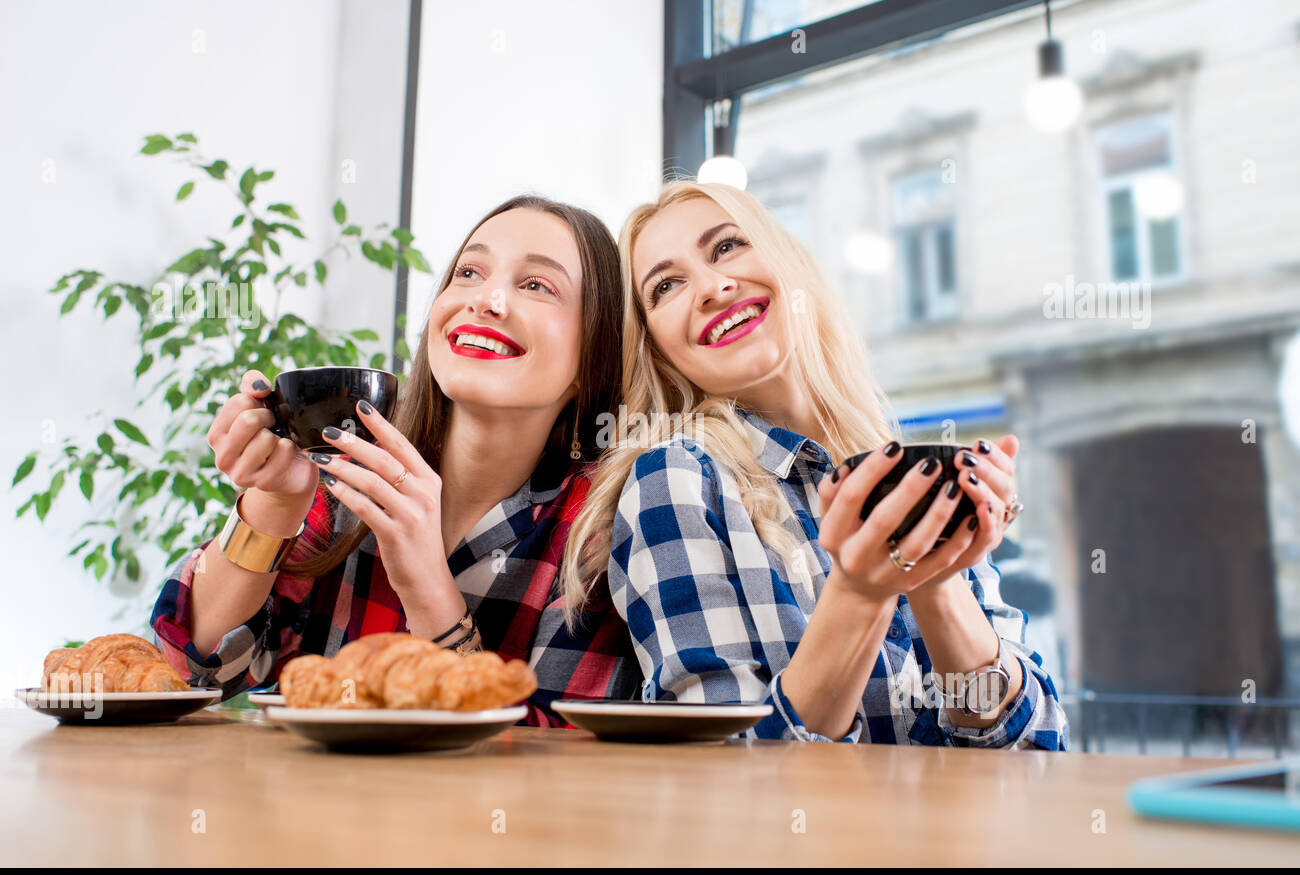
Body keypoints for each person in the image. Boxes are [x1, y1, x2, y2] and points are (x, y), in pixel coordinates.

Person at [562, 181, 1068, 748]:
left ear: (789, 266)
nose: (711, 286)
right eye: (667, 285)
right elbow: (718, 769)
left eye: (727, 247)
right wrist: (860, 594)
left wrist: (937, 577)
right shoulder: (675, 479)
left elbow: (1036, 748)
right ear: (655, 347)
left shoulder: (902, 468)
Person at [150, 195, 639, 725]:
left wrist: (428, 587)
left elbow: (557, 757)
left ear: (593, 354)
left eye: (537, 285)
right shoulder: (346, 474)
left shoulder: (604, 527)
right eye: (469, 271)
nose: (487, 299)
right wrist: (274, 501)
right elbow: (190, 671)